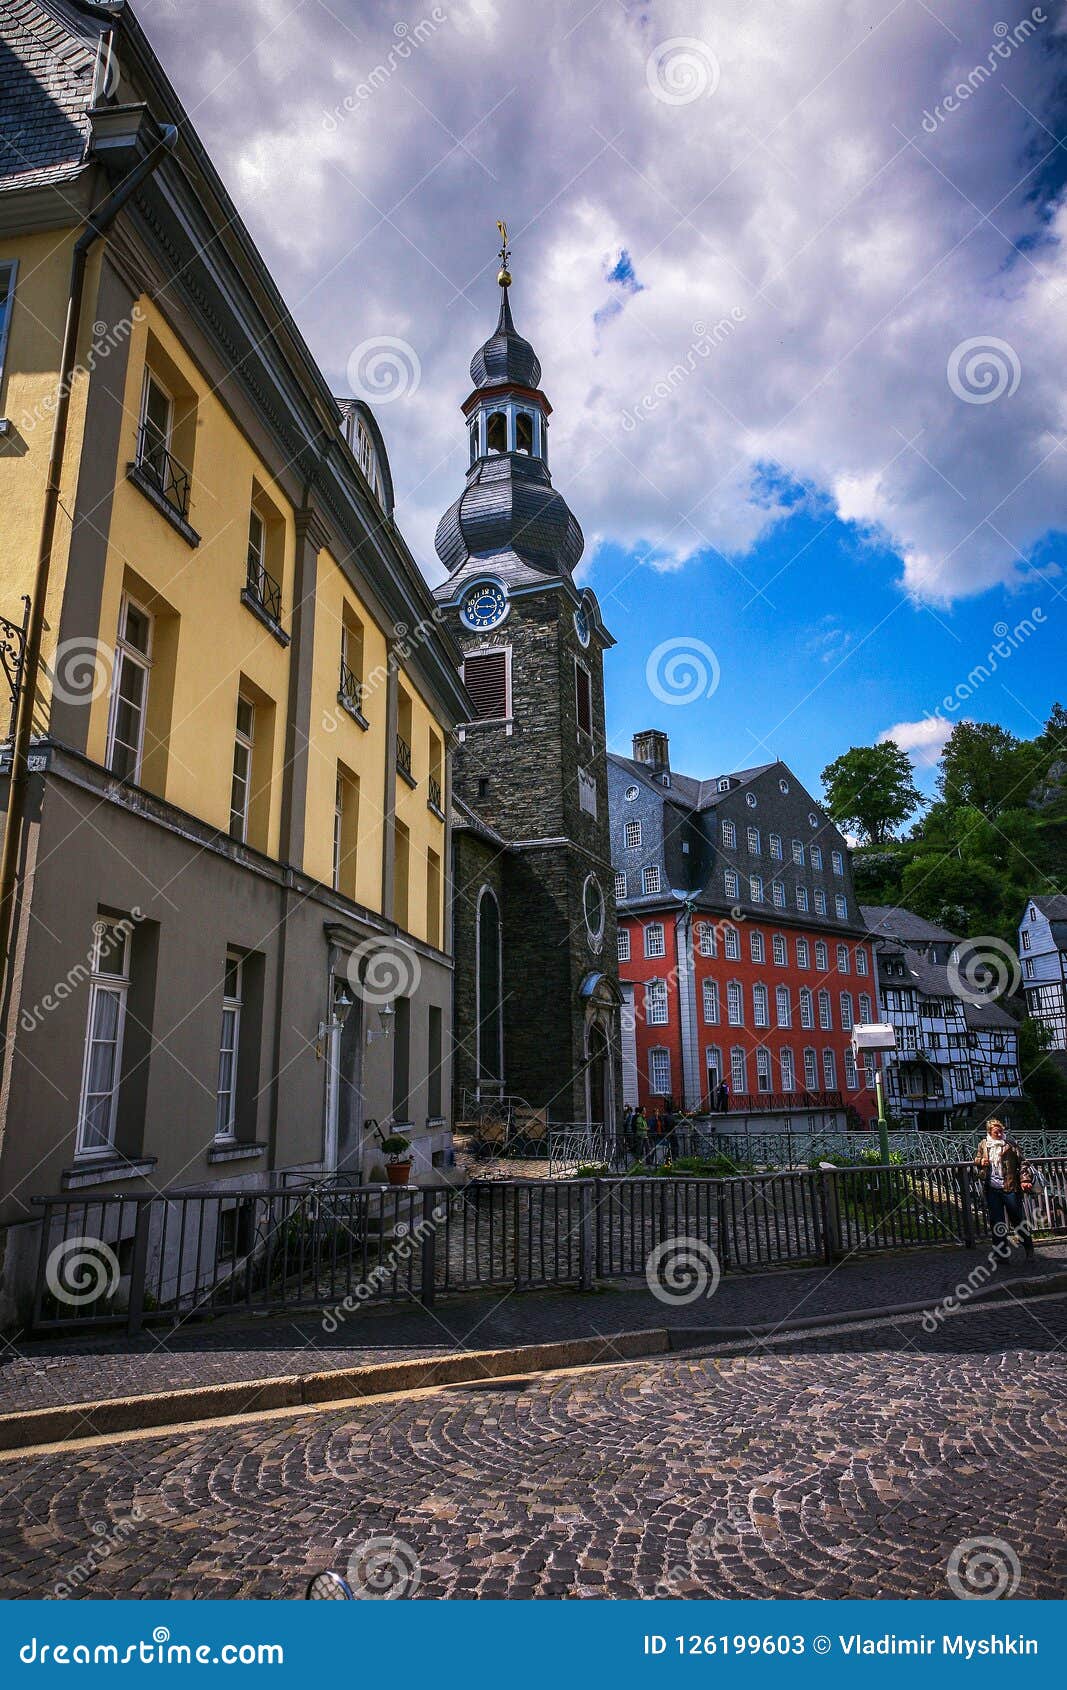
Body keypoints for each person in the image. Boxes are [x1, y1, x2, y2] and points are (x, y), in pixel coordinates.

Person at [974, 1119, 1034, 1258]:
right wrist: (981, 1161)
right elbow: (976, 1159)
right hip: (992, 1188)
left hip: (1010, 1187)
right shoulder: (984, 1145)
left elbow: (1023, 1163)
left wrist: (1025, 1180)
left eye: (1001, 1131)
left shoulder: (1011, 1144)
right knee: (997, 1222)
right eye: (996, 1132)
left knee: (1017, 1219)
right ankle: (1001, 1255)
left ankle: (1028, 1247)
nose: (1000, 1134)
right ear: (990, 1133)